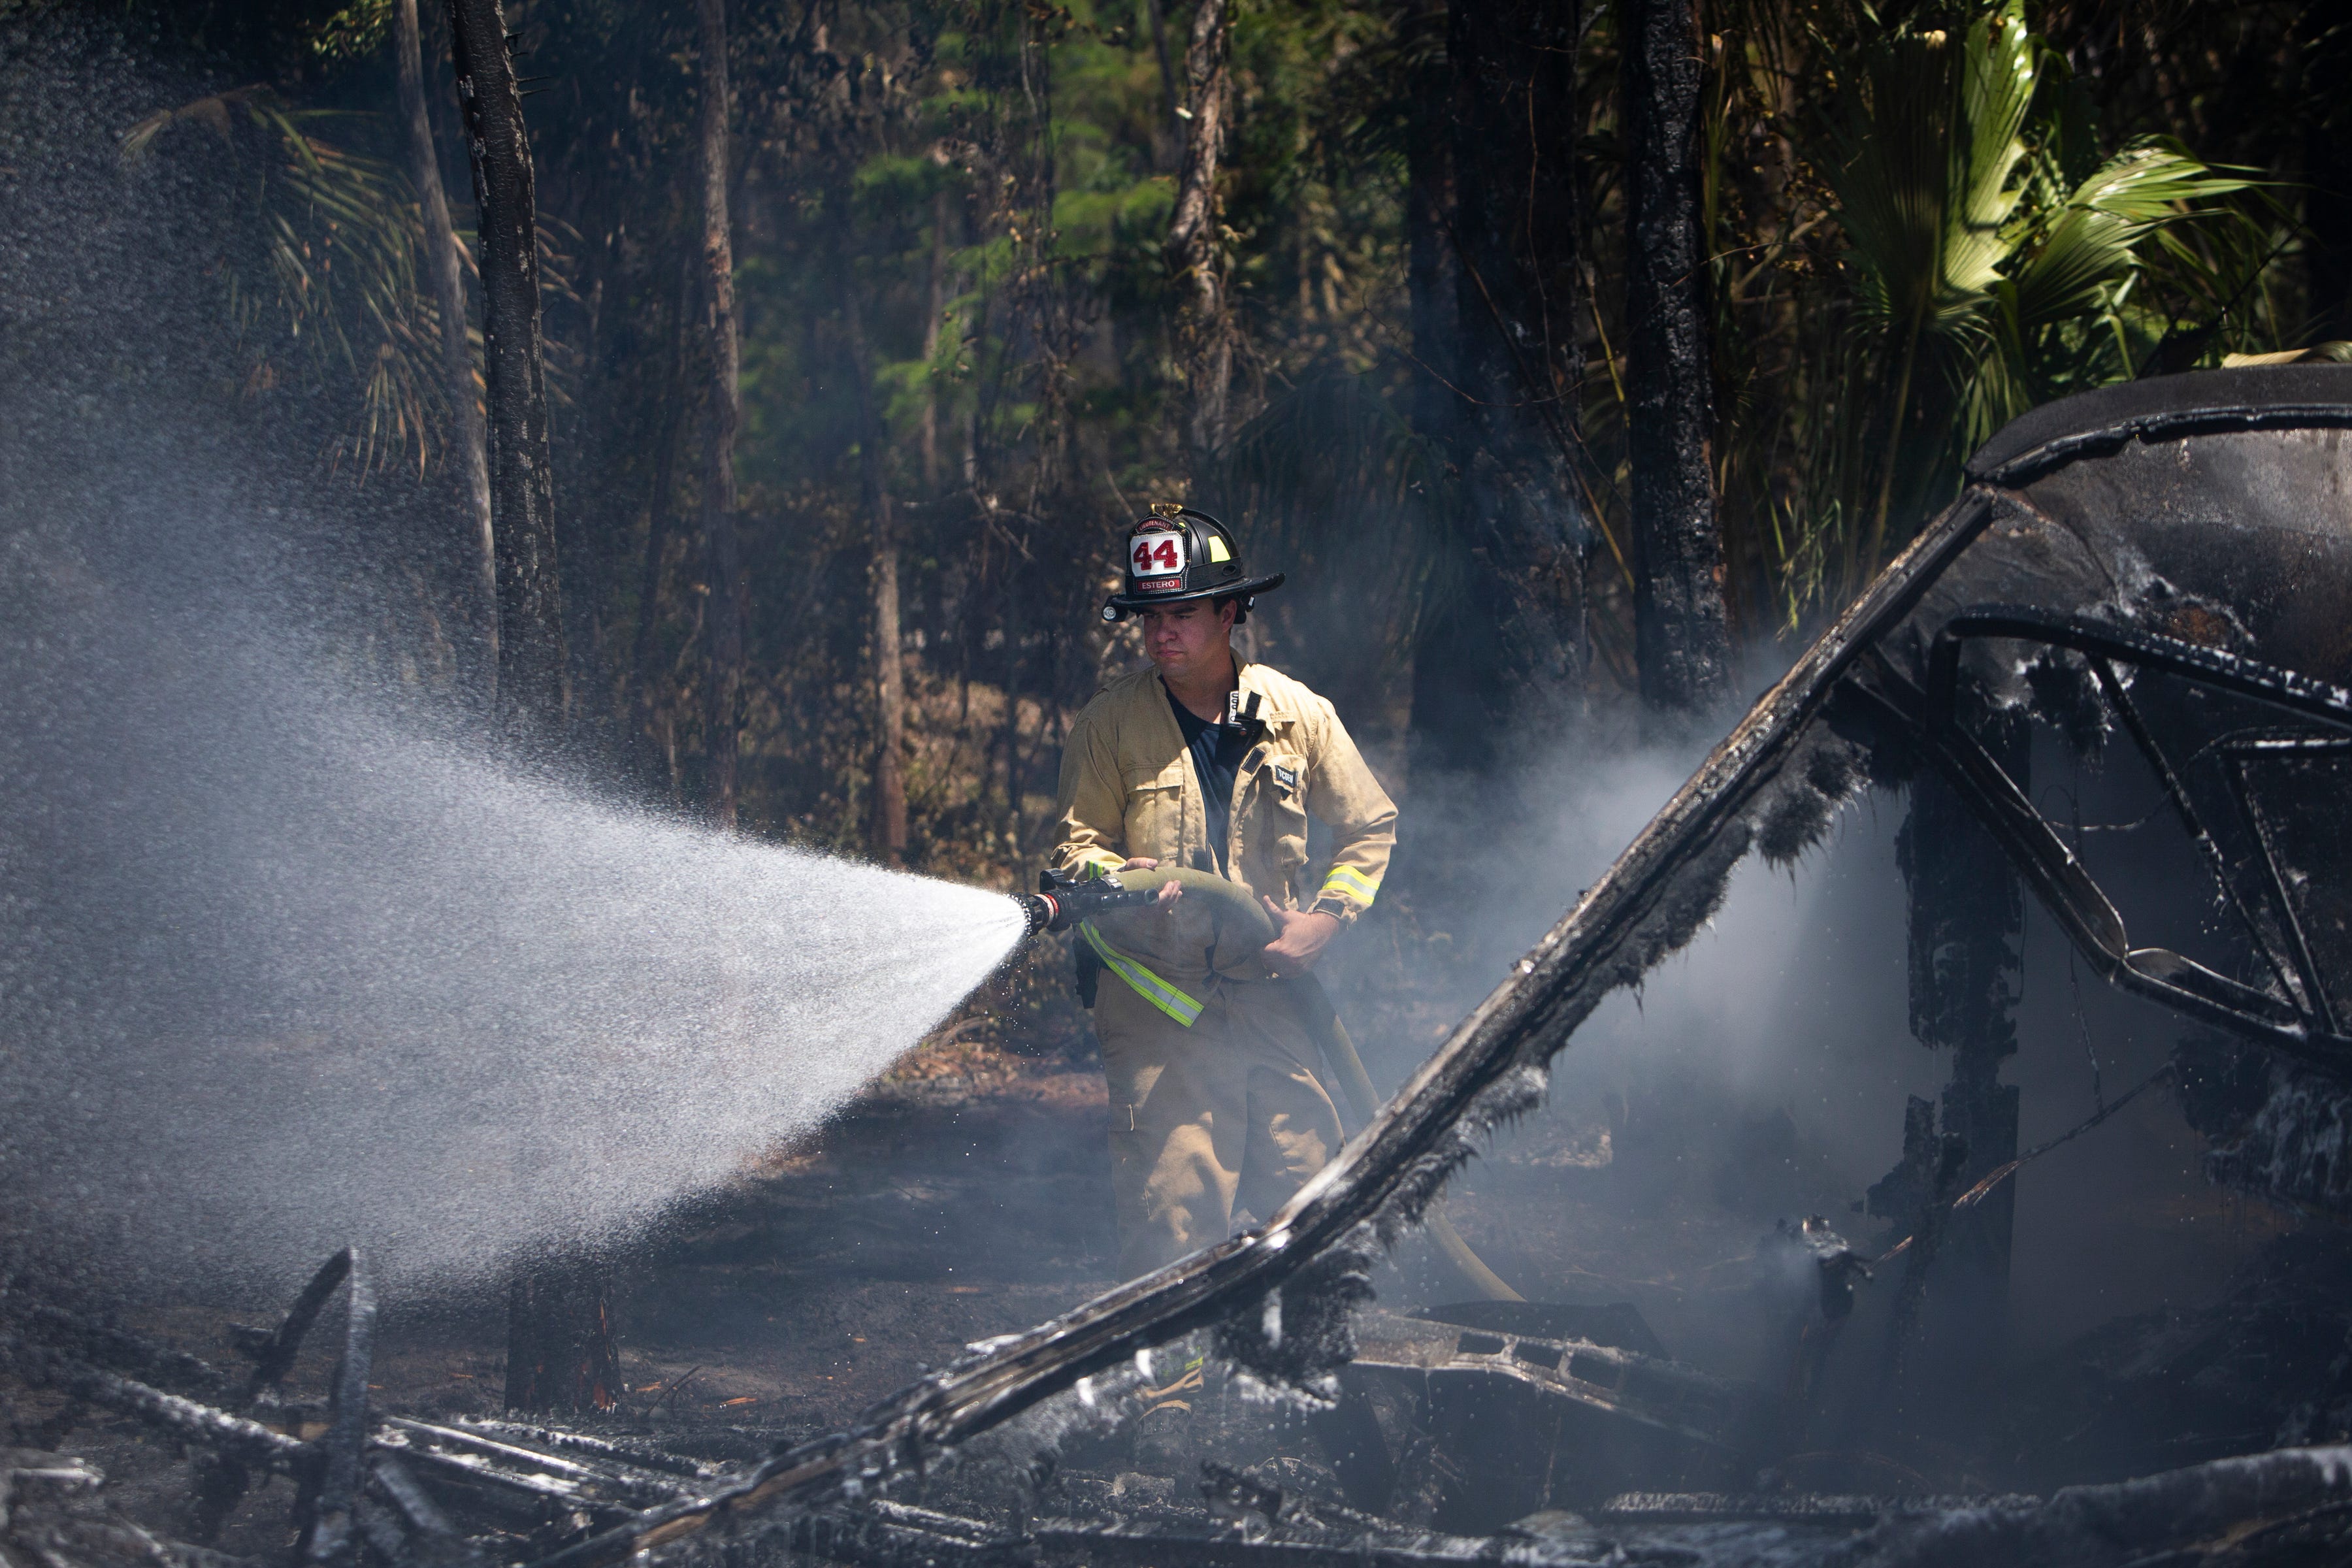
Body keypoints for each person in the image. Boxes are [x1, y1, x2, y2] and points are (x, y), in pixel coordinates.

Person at [1048, 504, 1397, 1279]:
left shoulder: (1297, 715)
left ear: (1230, 612)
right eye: (1149, 617)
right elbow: (1078, 849)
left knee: (1311, 1192)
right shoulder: (1110, 724)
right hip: (1157, 996)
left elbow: (1369, 824)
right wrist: (1119, 882)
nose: (1161, 633)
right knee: (1173, 1208)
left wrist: (1328, 920)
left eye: (1181, 614)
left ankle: (1307, 1346)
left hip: (1269, 988)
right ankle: (1170, 1357)